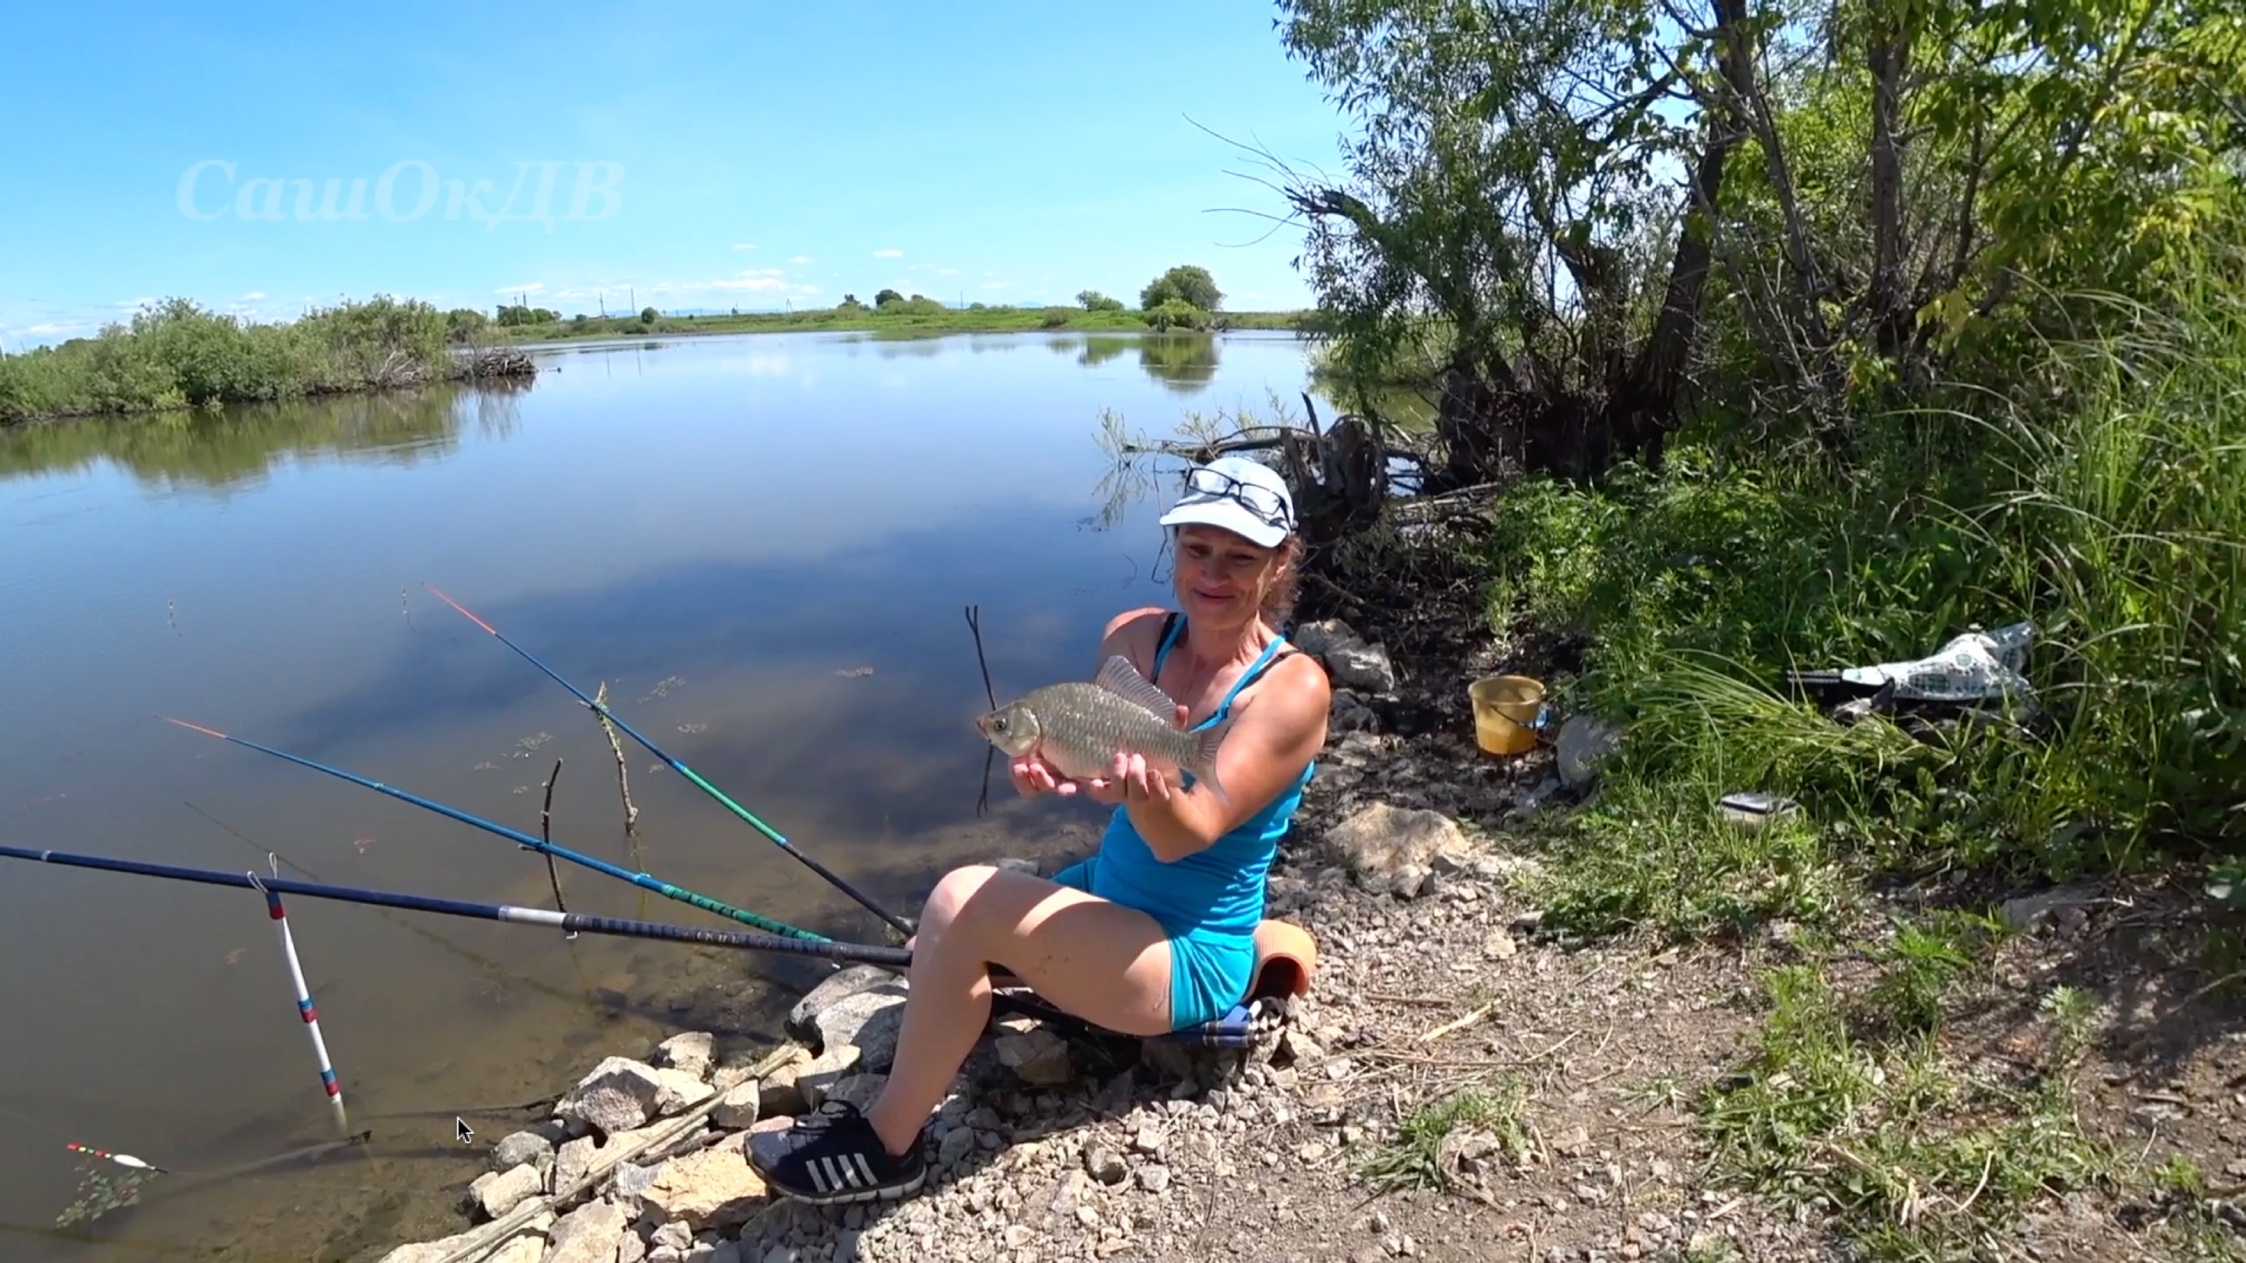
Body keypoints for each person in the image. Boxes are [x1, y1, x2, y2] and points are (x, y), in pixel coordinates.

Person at [747, 455, 1333, 1205]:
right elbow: (1093, 766)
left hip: (1184, 949)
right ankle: (977, 974)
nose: (1212, 572)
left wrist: (1138, 790)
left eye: (1241, 556)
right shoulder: (1135, 635)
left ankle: (888, 1144)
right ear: (1174, 545)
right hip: (1105, 886)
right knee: (943, 936)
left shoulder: (1294, 688)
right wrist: (1061, 774)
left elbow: (1181, 836)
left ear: (1279, 561)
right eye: (1196, 548)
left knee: (960, 898)